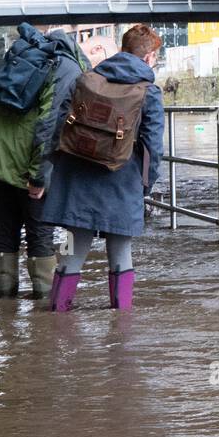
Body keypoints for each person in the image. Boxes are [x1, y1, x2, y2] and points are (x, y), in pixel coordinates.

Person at [0, 28, 91, 298]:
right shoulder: (69, 68)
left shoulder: (30, 52)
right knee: (40, 230)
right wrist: (39, 177)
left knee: (5, 225)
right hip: (24, 155)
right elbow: (50, 125)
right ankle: (44, 312)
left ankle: (4, 306)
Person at [40, 24, 165, 312]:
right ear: (148, 57)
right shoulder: (148, 92)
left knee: (72, 251)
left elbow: (57, 126)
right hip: (121, 180)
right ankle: (121, 328)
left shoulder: (85, 80)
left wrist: (55, 170)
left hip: (75, 179)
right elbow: (153, 148)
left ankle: (57, 320)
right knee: (121, 253)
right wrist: (146, 183)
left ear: (124, 49)